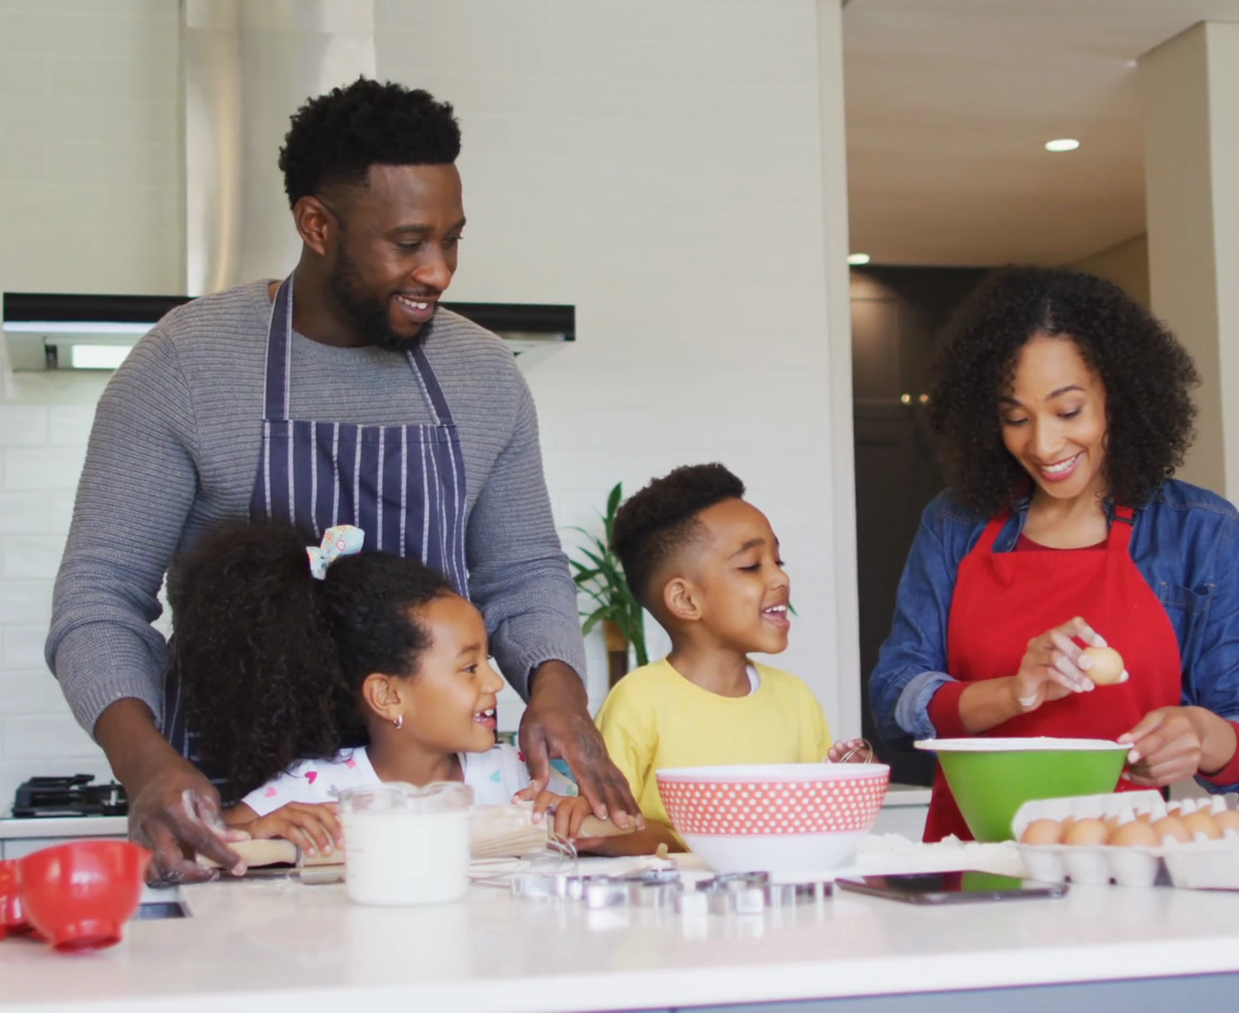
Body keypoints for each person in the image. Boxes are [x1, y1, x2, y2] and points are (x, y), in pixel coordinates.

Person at [46, 78, 635, 884]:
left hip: (436, 827)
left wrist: (558, 689)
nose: (439, 271)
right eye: (407, 242)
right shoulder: (188, 363)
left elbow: (524, 571)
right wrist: (145, 764)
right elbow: (98, 599)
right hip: (234, 825)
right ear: (317, 225)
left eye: (453, 239)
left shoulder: (482, 374)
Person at [866, 266, 1239, 842]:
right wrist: (1015, 691)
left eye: (1068, 412)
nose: (1042, 444)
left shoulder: (1201, 533)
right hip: (968, 860)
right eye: (1015, 418)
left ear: (1121, 393)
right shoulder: (955, 523)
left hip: (1126, 860)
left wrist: (1201, 735)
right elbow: (895, 701)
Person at [164, 523, 596, 857]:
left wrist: (589, 828)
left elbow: (646, 835)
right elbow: (183, 851)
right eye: (469, 667)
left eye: (489, 662)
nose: (496, 682)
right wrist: (253, 833)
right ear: (388, 696)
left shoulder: (520, 776)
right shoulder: (313, 787)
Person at [595, 464, 872, 854]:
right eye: (751, 566)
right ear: (686, 600)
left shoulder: (796, 699)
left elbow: (813, 824)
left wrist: (848, 782)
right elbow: (606, 828)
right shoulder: (637, 702)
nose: (780, 579)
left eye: (779, 562)